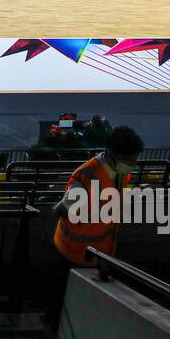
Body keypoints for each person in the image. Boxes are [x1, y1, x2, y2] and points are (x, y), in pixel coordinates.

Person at [49, 126, 145, 324]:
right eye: (129, 160)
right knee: (60, 299)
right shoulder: (87, 176)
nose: (133, 165)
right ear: (112, 154)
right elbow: (61, 209)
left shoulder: (119, 172)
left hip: (99, 251)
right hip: (74, 252)